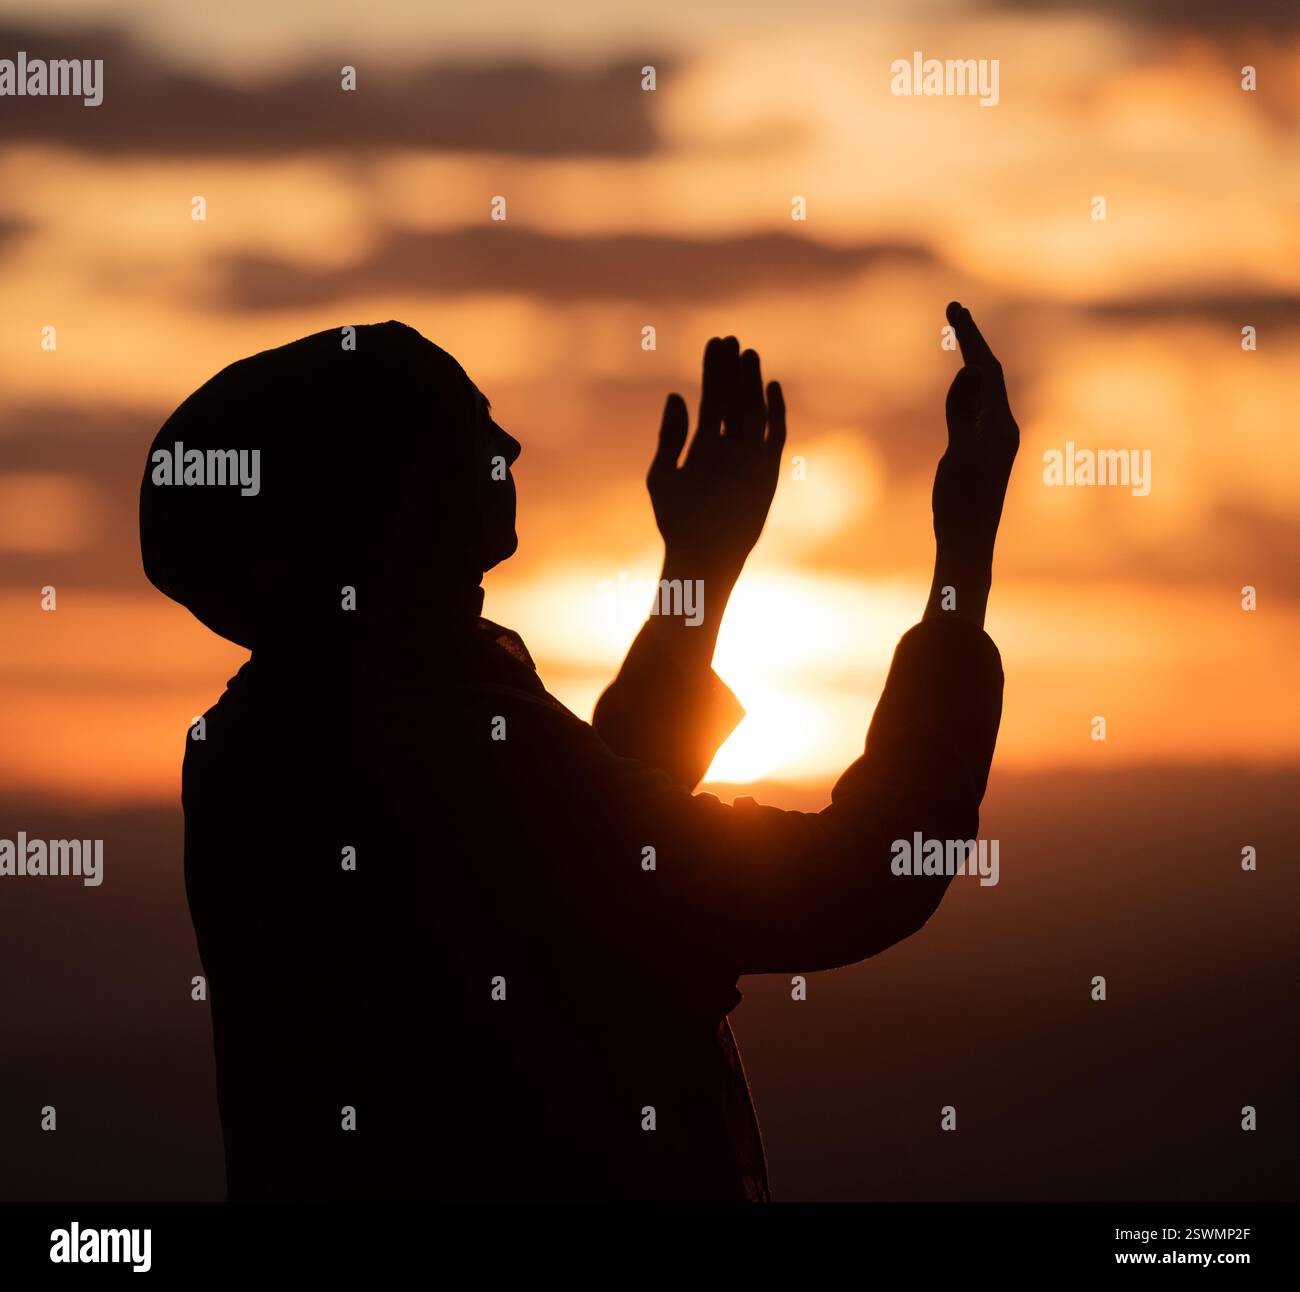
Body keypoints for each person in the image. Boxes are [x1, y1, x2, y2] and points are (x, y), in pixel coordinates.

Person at [139, 302, 1016, 1201]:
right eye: (469, 423)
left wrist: (698, 573)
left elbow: (594, 842)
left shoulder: (287, 728)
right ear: (387, 490)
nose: (510, 444)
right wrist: (964, 557)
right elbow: (860, 877)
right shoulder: (434, 737)